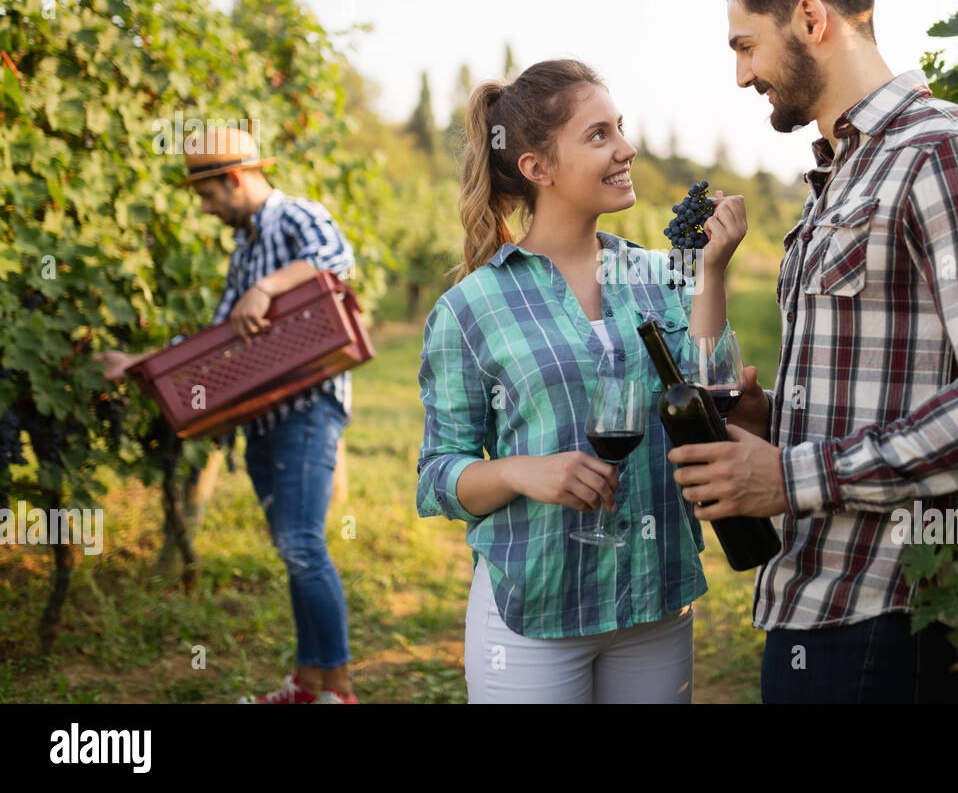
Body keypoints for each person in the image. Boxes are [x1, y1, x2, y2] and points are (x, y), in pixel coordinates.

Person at [667, 0, 958, 703]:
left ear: (811, 20)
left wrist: (789, 474)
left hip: (889, 611)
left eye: (745, 46)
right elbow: (889, 387)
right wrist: (772, 415)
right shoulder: (846, 175)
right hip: (819, 595)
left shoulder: (948, 155)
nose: (742, 76)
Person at [416, 59, 746, 703]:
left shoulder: (657, 275)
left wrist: (713, 271)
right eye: (598, 135)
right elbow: (438, 475)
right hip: (536, 608)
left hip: (654, 598)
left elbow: (707, 395)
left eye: (619, 128)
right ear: (537, 168)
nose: (626, 148)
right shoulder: (470, 308)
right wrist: (520, 472)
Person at [95, 126, 360, 704]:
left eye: (209, 195)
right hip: (262, 416)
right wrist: (142, 361)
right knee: (293, 547)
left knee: (302, 543)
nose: (207, 208)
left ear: (235, 178)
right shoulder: (243, 249)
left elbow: (338, 258)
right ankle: (308, 684)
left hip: (307, 406)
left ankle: (339, 690)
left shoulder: (295, 216)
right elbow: (217, 337)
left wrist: (267, 288)